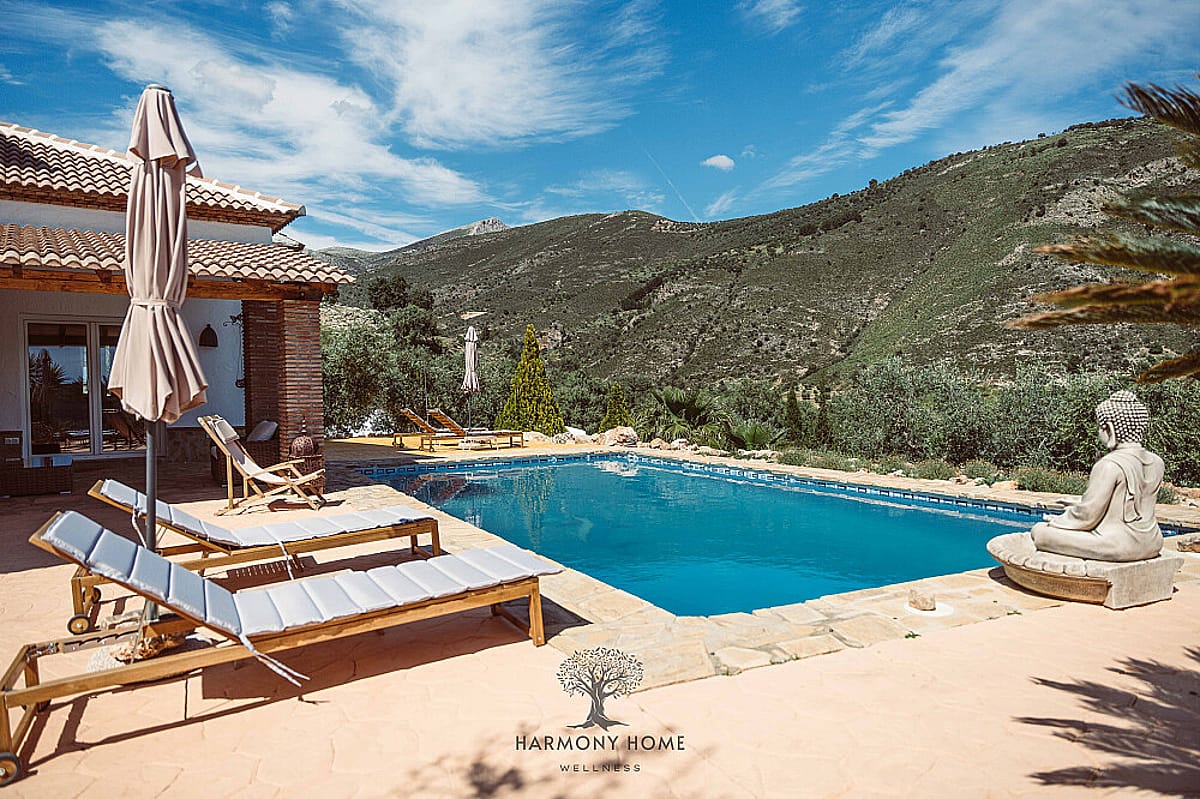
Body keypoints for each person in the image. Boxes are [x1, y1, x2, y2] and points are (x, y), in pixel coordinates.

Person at [1030, 391, 1164, 562]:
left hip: (1119, 546)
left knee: (1040, 532)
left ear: (1109, 428)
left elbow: (1086, 517)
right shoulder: (1157, 462)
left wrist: (1058, 520)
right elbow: (1128, 504)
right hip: (1153, 542)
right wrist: (1080, 502)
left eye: (1100, 427)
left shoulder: (1109, 465)